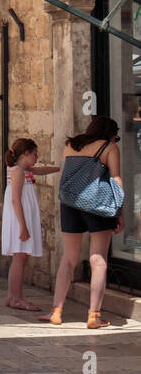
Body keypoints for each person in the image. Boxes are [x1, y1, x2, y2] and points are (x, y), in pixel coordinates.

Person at [43, 117, 123, 328]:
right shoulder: (109, 147)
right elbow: (116, 179)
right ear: (111, 134)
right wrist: (119, 211)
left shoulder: (71, 145)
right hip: (97, 206)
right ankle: (93, 316)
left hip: (70, 204)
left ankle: (56, 311)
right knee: (98, 259)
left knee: (68, 259)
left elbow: (69, 172)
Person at [1, 138, 59, 312]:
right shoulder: (18, 172)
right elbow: (15, 199)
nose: (37, 157)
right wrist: (23, 226)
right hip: (20, 219)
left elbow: (41, 170)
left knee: (19, 258)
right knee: (20, 258)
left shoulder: (23, 169)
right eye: (35, 154)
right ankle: (17, 298)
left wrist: (60, 168)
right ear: (25, 154)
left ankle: (12, 296)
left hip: (21, 218)